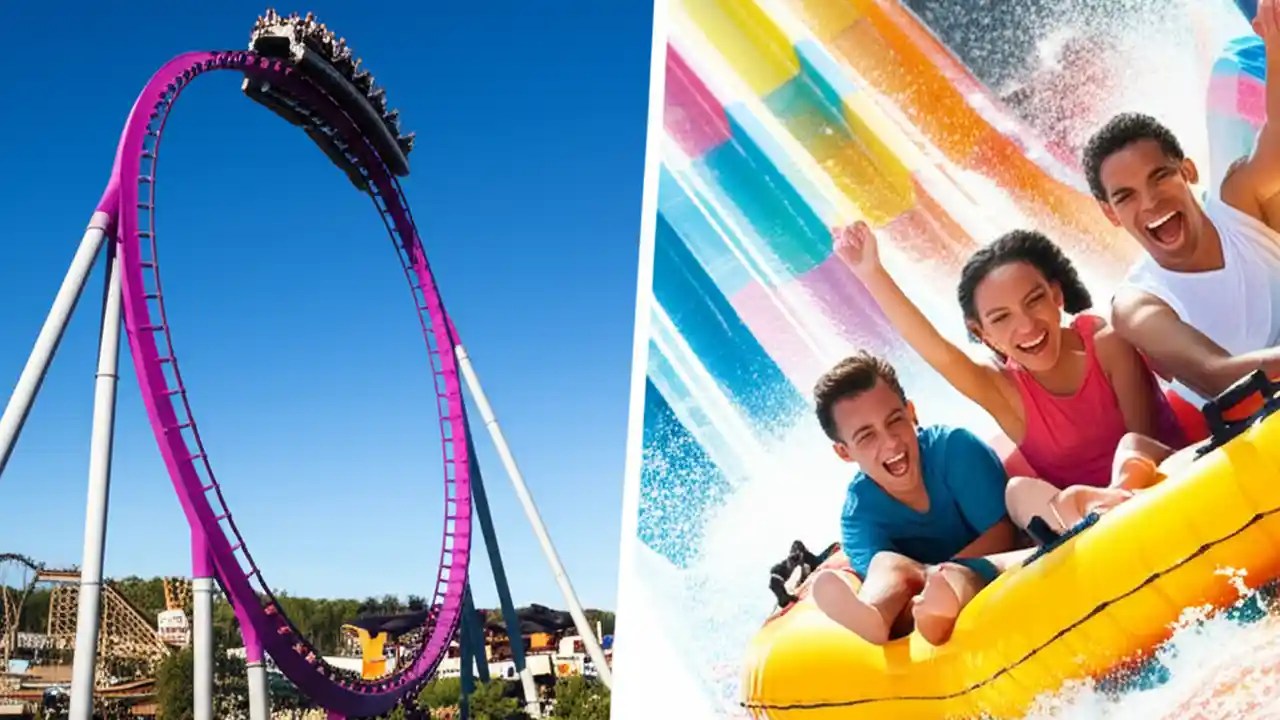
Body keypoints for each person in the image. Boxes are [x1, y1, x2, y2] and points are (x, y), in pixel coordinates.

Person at [831, 222, 1187, 532]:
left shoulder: (1106, 344)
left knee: (1131, 447)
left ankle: (1113, 501)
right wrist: (871, 272)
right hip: (1083, 521)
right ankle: (1091, 512)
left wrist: (1123, 486)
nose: (1027, 326)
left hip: (1163, 476)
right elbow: (939, 352)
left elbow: (1148, 438)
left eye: (1034, 301)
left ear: (1056, 296)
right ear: (982, 333)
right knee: (1018, 492)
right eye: (1002, 318)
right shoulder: (1005, 392)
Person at [1086, 0, 1280, 403]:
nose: (1151, 202)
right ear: (1110, 213)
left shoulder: (1238, 202)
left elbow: (1276, 133)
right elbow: (1215, 374)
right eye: (1126, 197)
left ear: (1187, 171)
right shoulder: (1139, 302)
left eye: (1160, 177)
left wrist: (1275, 48)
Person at [806, 352, 1022, 646]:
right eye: (867, 436)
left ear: (911, 412)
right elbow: (898, 596)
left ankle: (938, 593)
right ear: (844, 452)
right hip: (925, 600)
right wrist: (921, 584)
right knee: (886, 565)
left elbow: (1004, 534)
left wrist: (933, 575)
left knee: (943, 579)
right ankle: (874, 613)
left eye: (895, 420)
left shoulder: (955, 450)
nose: (891, 442)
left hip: (987, 570)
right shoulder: (859, 518)